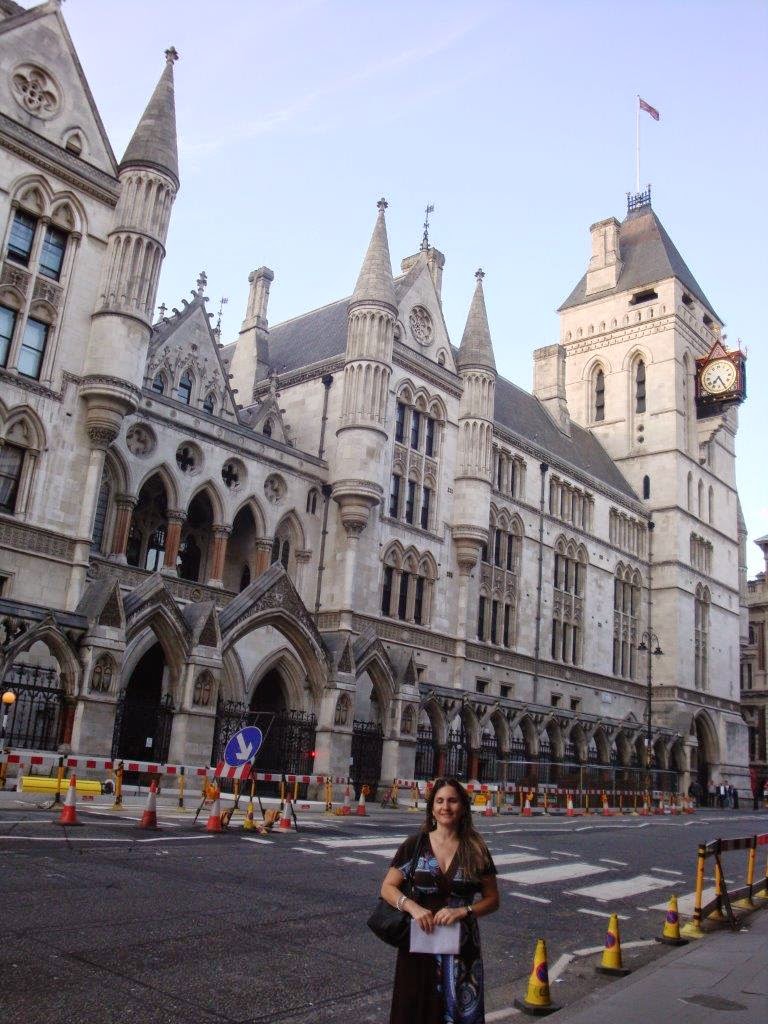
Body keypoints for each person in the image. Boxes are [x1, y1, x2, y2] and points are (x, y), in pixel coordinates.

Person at [380, 777, 500, 1024]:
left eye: (453, 801)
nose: (446, 807)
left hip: (462, 949)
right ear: (432, 807)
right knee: (415, 1012)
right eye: (440, 801)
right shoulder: (415, 844)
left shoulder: (475, 848)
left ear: (463, 807)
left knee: (458, 1013)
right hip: (420, 943)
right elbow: (387, 887)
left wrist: (463, 911)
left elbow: (493, 899)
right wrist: (412, 907)